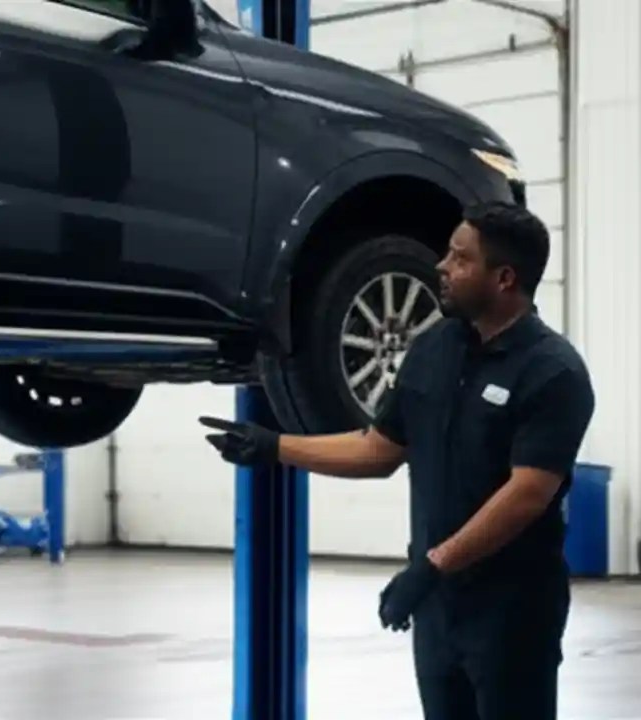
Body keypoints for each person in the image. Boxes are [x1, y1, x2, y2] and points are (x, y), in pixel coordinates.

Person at [199, 201, 595, 720]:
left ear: (503, 278)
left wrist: (432, 566)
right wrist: (275, 446)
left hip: (512, 611)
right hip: (437, 607)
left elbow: (526, 495)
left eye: (459, 258)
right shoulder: (433, 347)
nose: (441, 268)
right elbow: (379, 448)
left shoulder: (552, 372)